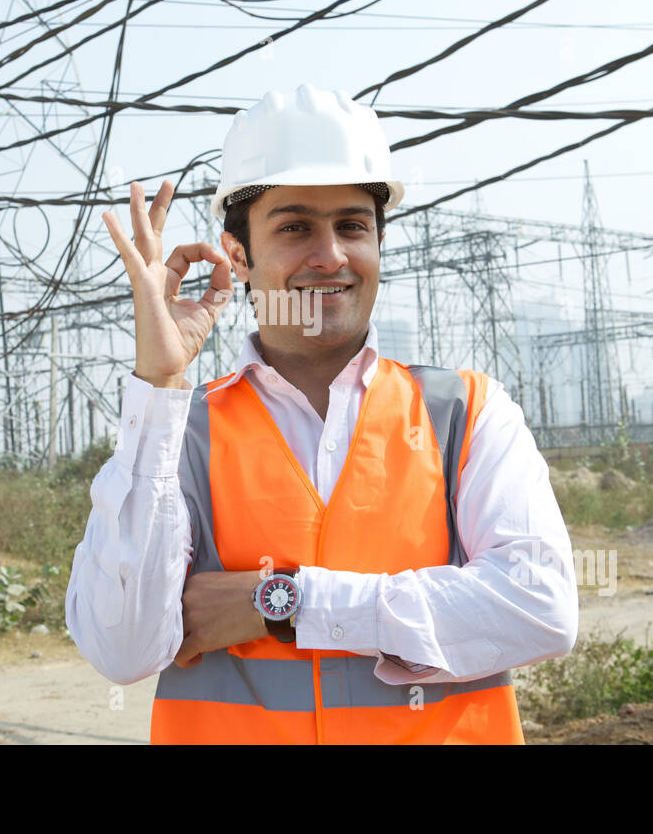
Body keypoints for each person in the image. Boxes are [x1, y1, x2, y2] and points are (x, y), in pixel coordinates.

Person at [65, 83, 579, 744]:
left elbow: (539, 609)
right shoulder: (179, 434)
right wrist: (160, 385)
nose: (330, 255)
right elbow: (122, 648)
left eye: (352, 226)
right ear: (238, 257)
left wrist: (282, 602)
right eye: (296, 226)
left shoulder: (466, 414)